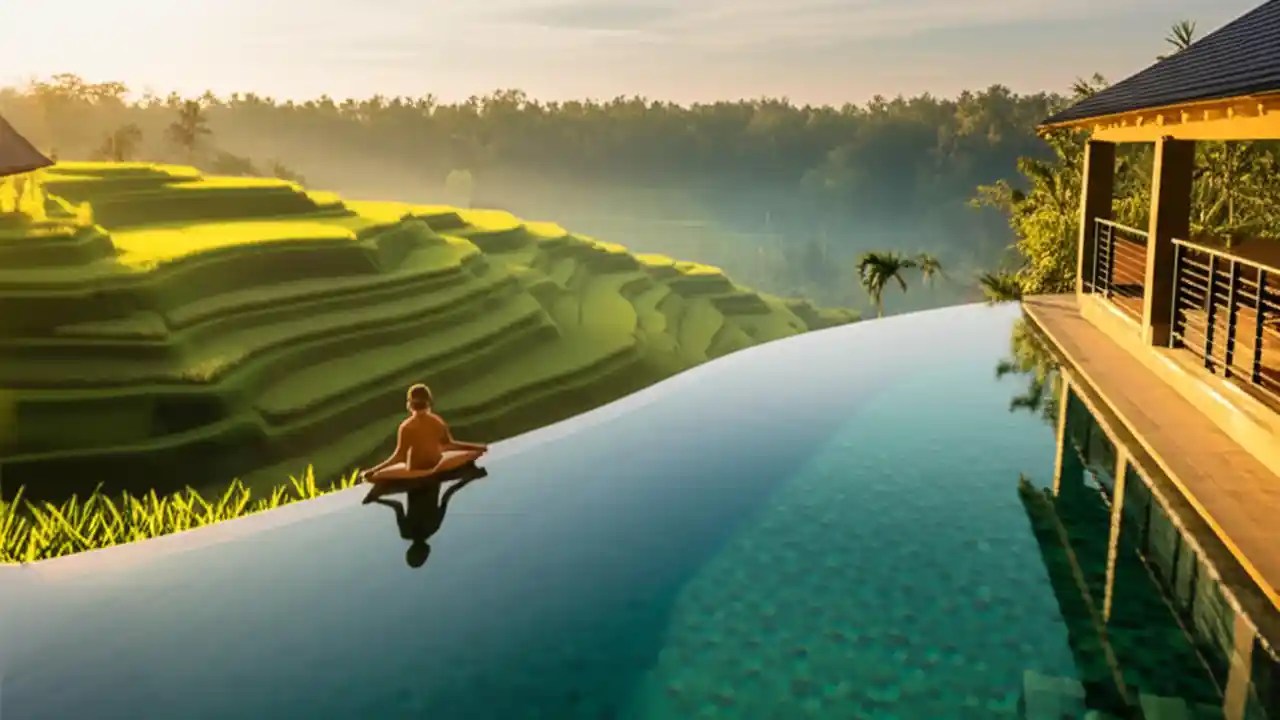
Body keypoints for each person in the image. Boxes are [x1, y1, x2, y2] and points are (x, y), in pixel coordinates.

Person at [360, 383, 488, 484]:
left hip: (416, 469)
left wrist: (373, 471)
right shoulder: (437, 421)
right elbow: (451, 444)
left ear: (409, 404)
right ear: (429, 401)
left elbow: (399, 456)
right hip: (436, 463)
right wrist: (477, 447)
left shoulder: (406, 427)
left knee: (376, 476)